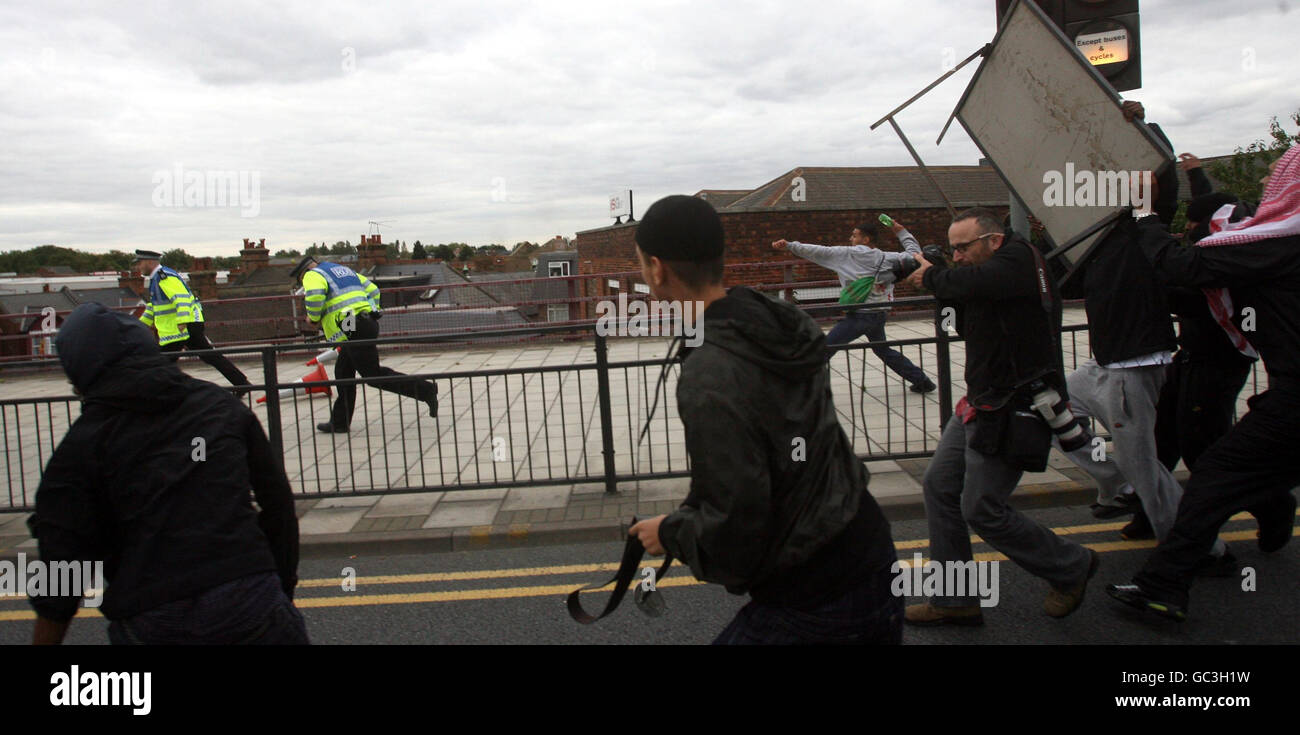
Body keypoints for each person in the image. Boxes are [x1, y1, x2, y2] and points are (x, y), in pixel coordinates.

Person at [627, 195, 902, 644]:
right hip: (866, 545)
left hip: (813, 593)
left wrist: (673, 532)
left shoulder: (710, 374)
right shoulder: (779, 320)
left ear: (657, 269)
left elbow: (737, 523)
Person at [27, 303, 306, 644]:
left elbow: (62, 566)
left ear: (80, 372)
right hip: (250, 599)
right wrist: (278, 591)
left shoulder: (80, 448)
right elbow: (277, 505)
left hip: (151, 616)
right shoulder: (220, 406)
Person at [1108, 148, 1300, 622]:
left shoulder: (1283, 240)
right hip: (1286, 398)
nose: (1270, 190)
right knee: (1234, 473)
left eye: (1279, 179)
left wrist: (1147, 215)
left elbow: (1186, 267)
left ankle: (1163, 586)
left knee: (1213, 476)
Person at [904, 207, 1097, 624]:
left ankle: (1070, 565)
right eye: (951, 250)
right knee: (940, 487)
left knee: (982, 508)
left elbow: (974, 282)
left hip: (1015, 405)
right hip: (981, 401)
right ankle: (955, 600)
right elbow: (961, 313)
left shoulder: (1019, 260)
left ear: (993, 240)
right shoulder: (990, 276)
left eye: (962, 247)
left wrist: (933, 276)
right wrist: (946, 287)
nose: (957, 257)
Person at [772, 219, 937, 393]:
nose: (851, 238)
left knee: (826, 347)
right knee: (882, 350)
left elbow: (817, 251)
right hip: (879, 313)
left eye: (854, 235)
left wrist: (790, 245)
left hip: (860, 315)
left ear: (866, 240)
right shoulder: (889, 257)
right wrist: (901, 231)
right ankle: (922, 381)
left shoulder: (847, 254)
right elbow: (915, 253)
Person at [288, 256, 438, 433]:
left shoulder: (313, 275)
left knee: (372, 375)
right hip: (361, 322)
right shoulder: (342, 270)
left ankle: (426, 389)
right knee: (343, 373)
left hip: (352, 323)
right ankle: (339, 422)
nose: (304, 284)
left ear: (304, 272)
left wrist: (312, 319)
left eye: (302, 281)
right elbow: (374, 290)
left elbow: (314, 297)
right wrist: (372, 310)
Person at [135, 249, 251, 389]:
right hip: (179, 328)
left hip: (183, 327)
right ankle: (242, 384)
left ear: (149, 262)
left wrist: (182, 321)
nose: (138, 267)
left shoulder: (164, 277)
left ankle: (167, 391)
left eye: (140, 263)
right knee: (209, 356)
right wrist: (138, 325)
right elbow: (153, 307)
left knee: (162, 362)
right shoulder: (156, 279)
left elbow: (181, 298)